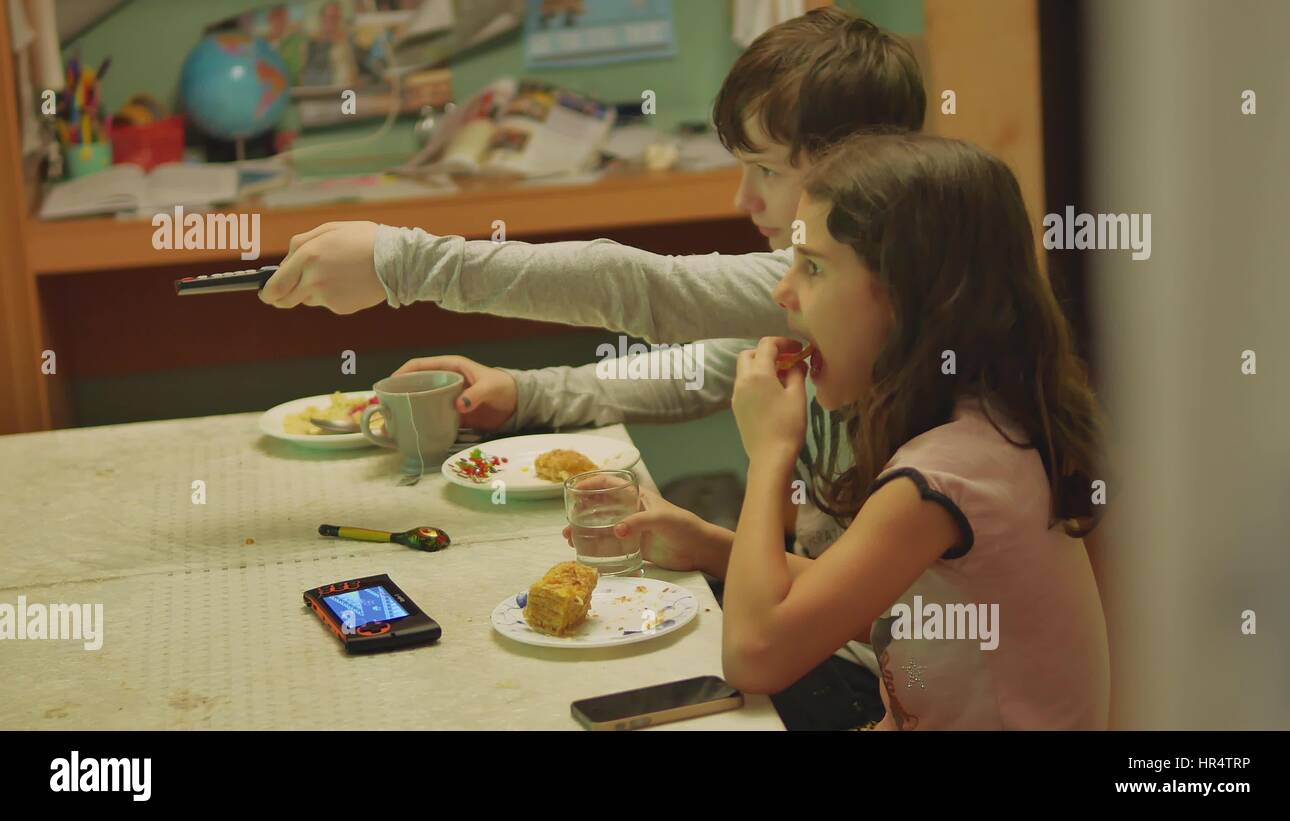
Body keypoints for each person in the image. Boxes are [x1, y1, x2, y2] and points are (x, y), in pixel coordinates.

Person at [260, 7, 926, 730]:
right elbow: (700, 370)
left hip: (873, 679)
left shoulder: (865, 296)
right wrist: (525, 394)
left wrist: (403, 262)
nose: (743, 199)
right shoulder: (829, 303)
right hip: (841, 644)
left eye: (765, 169)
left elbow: (645, 289)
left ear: (858, 176)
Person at [714, 132, 1109, 728]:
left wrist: (769, 452)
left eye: (814, 266)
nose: (782, 291)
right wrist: (701, 543)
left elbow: (754, 654)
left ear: (907, 297)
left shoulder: (948, 473)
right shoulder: (985, 426)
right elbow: (847, 594)